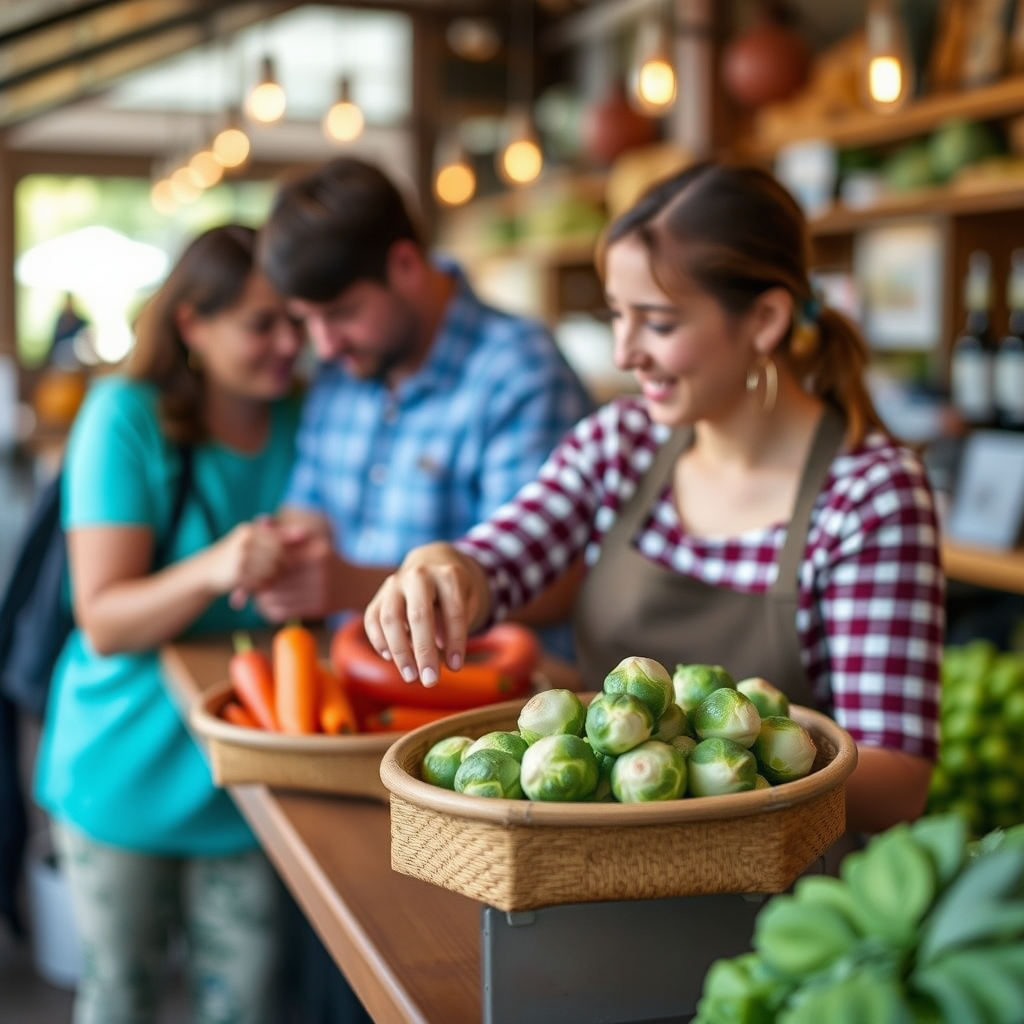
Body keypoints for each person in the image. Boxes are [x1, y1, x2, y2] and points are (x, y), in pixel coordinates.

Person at [363, 160, 944, 837]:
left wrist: (711, 783)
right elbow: (500, 560)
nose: (624, 351)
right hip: (590, 867)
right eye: (616, 315)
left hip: (781, 893)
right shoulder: (622, 442)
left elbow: (895, 780)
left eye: (658, 323)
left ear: (763, 319)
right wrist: (443, 567)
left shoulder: (870, 496)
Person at [33, 224, 304, 1024]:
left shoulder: (303, 413)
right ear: (193, 324)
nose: (289, 343)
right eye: (262, 324)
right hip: (125, 763)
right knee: (122, 997)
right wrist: (217, 565)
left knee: (249, 1001)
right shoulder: (126, 415)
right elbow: (104, 619)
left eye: (296, 319)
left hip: (249, 770)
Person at [251, 156, 593, 670]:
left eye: (341, 314)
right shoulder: (344, 370)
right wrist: (284, 555)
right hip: (359, 681)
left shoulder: (519, 371)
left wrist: (351, 584)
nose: (324, 346)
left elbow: (556, 585)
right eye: (308, 321)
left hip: (494, 706)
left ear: (406, 265)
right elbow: (310, 509)